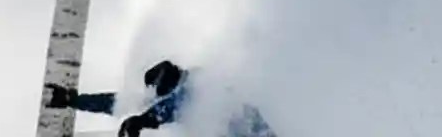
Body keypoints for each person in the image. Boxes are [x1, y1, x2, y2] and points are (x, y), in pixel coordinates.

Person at [47, 60, 275, 137]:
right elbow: (121, 102)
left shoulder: (199, 82)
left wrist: (143, 120)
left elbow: (174, 106)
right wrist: (73, 100)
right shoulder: (169, 97)